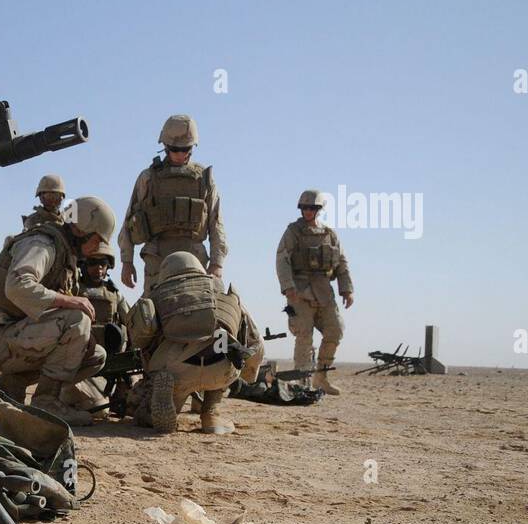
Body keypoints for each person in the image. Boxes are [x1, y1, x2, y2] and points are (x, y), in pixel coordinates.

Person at [0, 196, 116, 426]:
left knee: (95, 356)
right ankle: (45, 402)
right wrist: (69, 301)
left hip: (18, 336)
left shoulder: (66, 254)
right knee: (76, 319)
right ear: (82, 229)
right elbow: (17, 286)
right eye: (97, 240)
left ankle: (14, 382)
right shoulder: (42, 243)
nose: (97, 248)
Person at [124, 252, 262, 434]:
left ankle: (157, 410)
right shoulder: (223, 292)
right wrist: (247, 374)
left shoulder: (156, 295)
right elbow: (255, 343)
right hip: (220, 366)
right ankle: (211, 414)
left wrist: (150, 375)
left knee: (147, 412)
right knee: (226, 350)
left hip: (176, 368)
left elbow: (141, 343)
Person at [118, 114, 228, 296]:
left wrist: (217, 263)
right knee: (154, 315)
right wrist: (126, 262)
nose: (180, 154)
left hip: (195, 258)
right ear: (165, 147)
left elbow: (216, 223)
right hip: (157, 258)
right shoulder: (148, 177)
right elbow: (130, 221)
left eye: (185, 149)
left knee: (195, 312)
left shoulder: (204, 179)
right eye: (175, 149)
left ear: (192, 148)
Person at [276, 189, 354, 395]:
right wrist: (288, 286)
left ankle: (322, 377)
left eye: (312, 208)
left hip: (324, 291)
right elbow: (282, 258)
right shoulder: (293, 231)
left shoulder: (329, 234)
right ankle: (302, 383)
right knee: (304, 336)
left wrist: (346, 289)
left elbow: (342, 263)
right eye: (304, 208)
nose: (308, 211)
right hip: (300, 290)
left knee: (335, 330)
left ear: (319, 210)